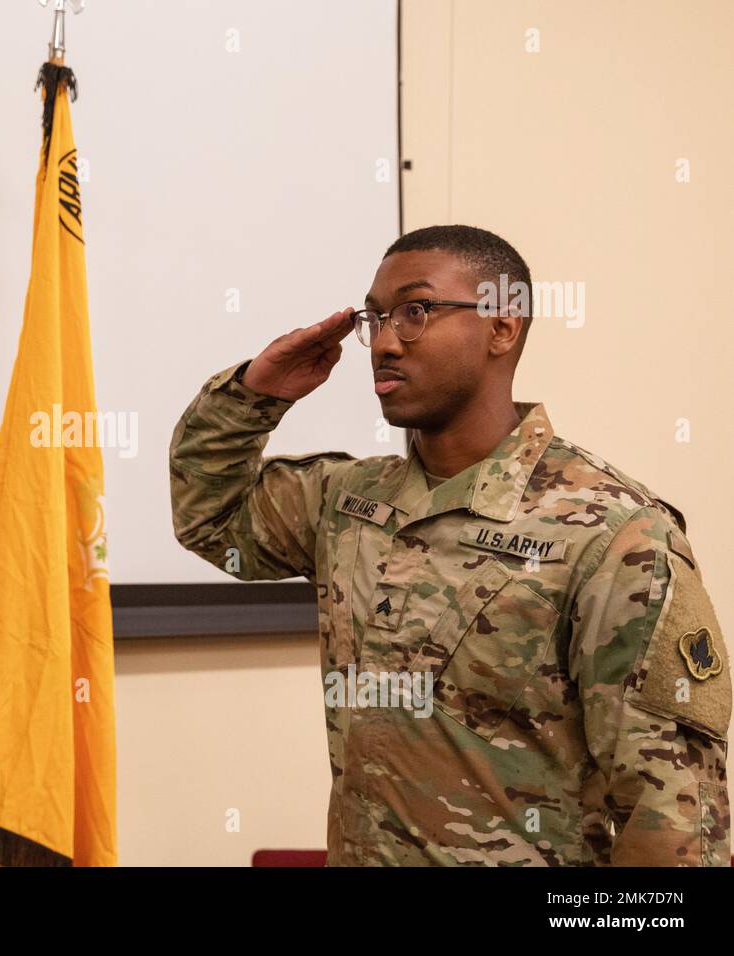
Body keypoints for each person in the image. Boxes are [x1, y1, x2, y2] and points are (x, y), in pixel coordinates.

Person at [170, 224, 730, 865]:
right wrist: (253, 394)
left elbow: (672, 823)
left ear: (502, 327)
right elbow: (210, 518)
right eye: (373, 318)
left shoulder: (613, 533)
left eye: (415, 312)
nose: (383, 342)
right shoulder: (347, 500)